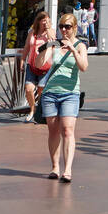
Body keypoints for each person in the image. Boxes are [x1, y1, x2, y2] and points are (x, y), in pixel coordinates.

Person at [39, 13, 88, 182]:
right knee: (53, 131)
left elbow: (83, 67)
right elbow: (39, 64)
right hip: (51, 92)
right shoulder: (54, 45)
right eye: (61, 26)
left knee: (67, 130)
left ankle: (67, 170)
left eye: (67, 26)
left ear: (74, 28)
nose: (64, 30)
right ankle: (55, 167)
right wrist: (47, 47)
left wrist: (73, 50)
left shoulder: (80, 46)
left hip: (70, 93)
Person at [21, 11, 54, 123]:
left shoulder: (51, 32)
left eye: (48, 20)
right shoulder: (32, 32)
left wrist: (48, 28)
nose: (45, 23)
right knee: (29, 89)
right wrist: (22, 59)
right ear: (39, 21)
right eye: (43, 20)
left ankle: (41, 111)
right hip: (31, 65)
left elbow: (53, 42)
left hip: (45, 66)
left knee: (41, 89)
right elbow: (26, 47)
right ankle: (32, 109)